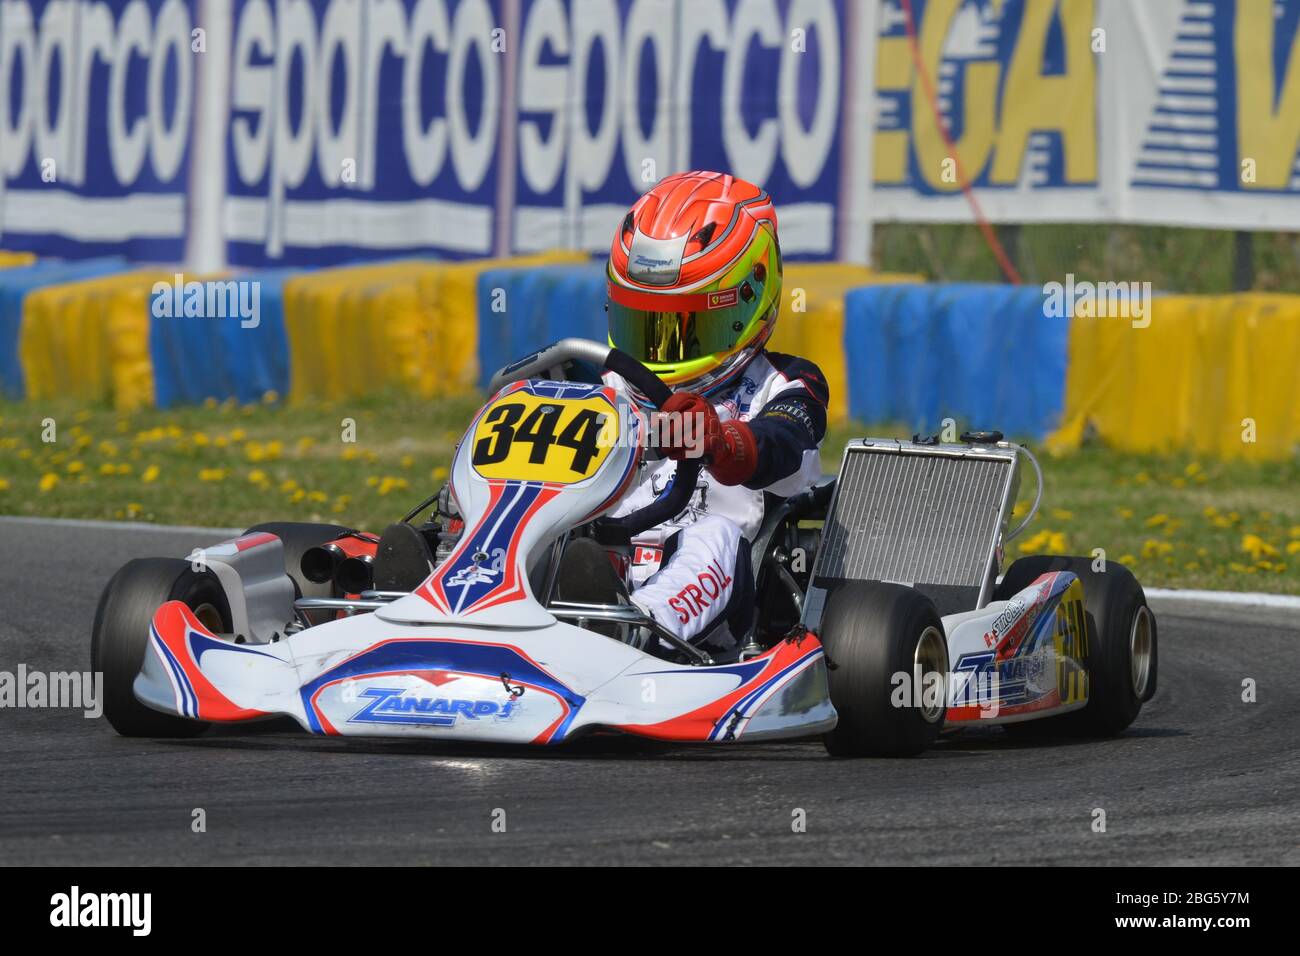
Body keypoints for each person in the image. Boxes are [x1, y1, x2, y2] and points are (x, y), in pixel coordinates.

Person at [601, 170, 829, 652]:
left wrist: (722, 442)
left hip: (728, 581)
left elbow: (781, 443)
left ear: (748, 300)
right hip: (604, 554)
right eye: (646, 327)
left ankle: (632, 631)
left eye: (685, 329)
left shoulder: (786, 385)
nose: (660, 351)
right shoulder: (605, 386)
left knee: (714, 537)